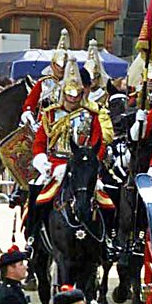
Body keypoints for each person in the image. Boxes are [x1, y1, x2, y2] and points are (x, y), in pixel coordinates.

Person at [28, 56, 107, 243]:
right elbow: (40, 142)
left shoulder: (91, 115)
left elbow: (99, 143)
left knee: (106, 201)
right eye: (69, 94)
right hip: (55, 163)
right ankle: (32, 237)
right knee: (38, 194)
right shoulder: (51, 114)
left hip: (83, 166)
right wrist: (41, 160)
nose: (72, 99)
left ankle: (107, 239)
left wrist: (92, 164)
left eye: (76, 95)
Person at [21, 29, 70, 129]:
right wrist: (28, 113)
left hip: (67, 124)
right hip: (43, 125)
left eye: (64, 66)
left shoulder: (72, 83)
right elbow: (30, 102)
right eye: (59, 65)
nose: (61, 69)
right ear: (52, 65)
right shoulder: (43, 82)